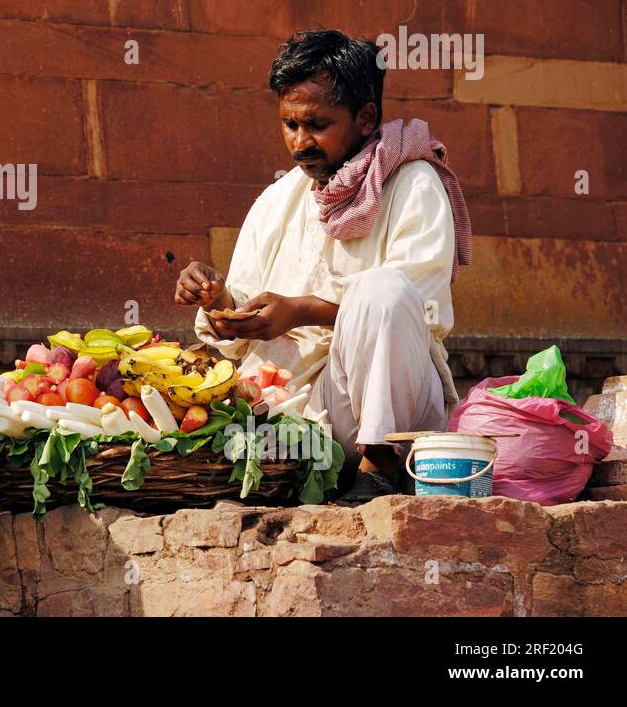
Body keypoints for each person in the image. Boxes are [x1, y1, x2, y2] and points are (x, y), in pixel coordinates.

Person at [175, 29, 472, 503]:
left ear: (366, 117)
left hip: (389, 414)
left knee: (383, 290)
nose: (299, 142)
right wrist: (217, 300)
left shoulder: (413, 183)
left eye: (316, 124)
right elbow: (237, 326)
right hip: (295, 417)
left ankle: (379, 470)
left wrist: (302, 310)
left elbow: (419, 306)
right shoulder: (277, 200)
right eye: (289, 125)